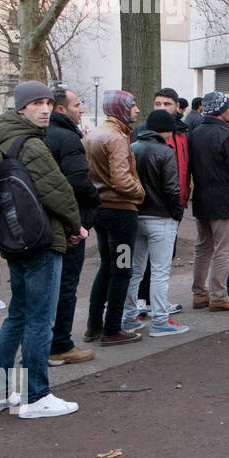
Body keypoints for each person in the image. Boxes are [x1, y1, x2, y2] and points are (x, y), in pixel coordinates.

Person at [0, 82, 87, 418]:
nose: (44, 109)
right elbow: (58, 192)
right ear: (21, 109)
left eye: (47, 103)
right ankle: (37, 395)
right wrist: (75, 226)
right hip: (43, 240)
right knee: (41, 319)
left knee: (18, 315)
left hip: (15, 240)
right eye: (36, 104)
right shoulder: (31, 145)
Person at [83, 89, 146, 346]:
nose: (137, 110)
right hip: (121, 212)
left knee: (107, 267)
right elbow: (122, 179)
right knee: (122, 269)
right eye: (132, 105)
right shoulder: (117, 139)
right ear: (121, 109)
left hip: (101, 211)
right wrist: (140, 192)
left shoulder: (95, 135)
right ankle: (112, 329)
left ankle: (94, 326)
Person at [120, 109, 187, 336]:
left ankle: (128, 316)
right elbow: (171, 188)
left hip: (135, 215)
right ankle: (160, 319)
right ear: (166, 131)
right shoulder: (165, 152)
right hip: (162, 217)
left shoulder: (132, 148)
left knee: (135, 270)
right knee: (159, 271)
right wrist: (177, 213)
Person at [46, 87, 98, 365]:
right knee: (66, 285)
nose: (81, 110)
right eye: (77, 105)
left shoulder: (37, 136)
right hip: (69, 223)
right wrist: (93, 202)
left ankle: (45, 342)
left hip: (45, 223)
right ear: (61, 109)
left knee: (47, 288)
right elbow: (79, 182)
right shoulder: (67, 138)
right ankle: (60, 345)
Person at [188, 91, 229, 311]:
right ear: (223, 110)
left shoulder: (194, 133)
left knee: (203, 247)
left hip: (202, 198)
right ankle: (219, 296)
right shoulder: (227, 135)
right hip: (225, 199)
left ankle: (199, 293)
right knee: (224, 250)